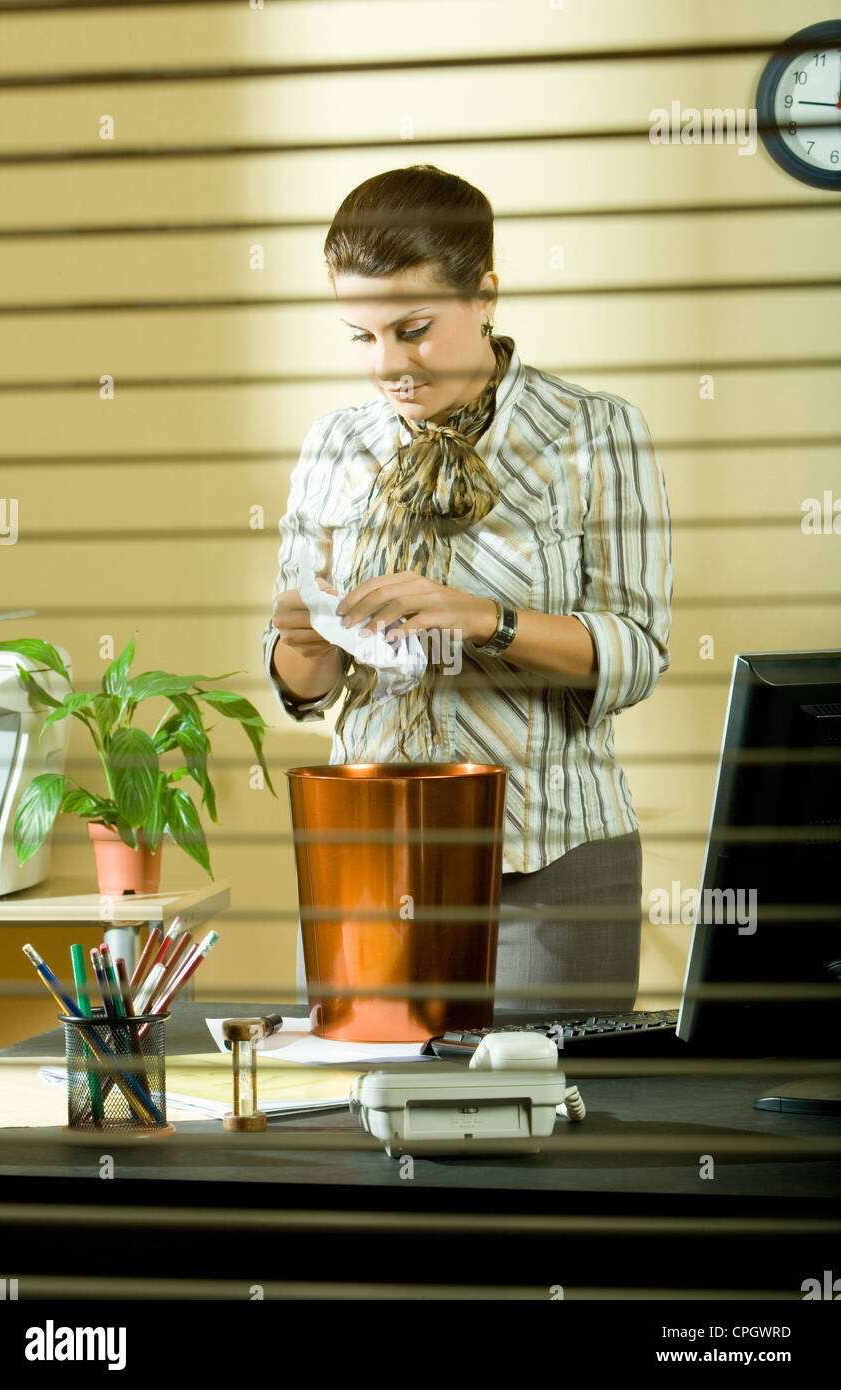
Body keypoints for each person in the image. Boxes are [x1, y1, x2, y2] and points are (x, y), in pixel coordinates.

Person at [262, 164, 673, 1014]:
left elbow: (637, 654)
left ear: (484, 294)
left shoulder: (596, 433)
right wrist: (302, 645)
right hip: (368, 862)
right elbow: (303, 688)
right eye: (362, 336)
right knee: (355, 1127)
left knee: (547, 1130)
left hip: (552, 856)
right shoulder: (335, 444)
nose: (390, 367)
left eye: (414, 329)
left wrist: (486, 619)